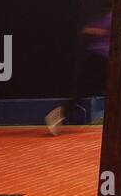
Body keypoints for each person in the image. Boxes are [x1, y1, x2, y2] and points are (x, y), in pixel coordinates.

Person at [45, 7, 112, 135]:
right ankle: (59, 113)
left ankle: (60, 113)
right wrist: (101, 32)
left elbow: (90, 29)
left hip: (100, 58)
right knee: (90, 90)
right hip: (99, 59)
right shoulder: (111, 18)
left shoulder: (110, 18)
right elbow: (89, 29)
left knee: (90, 90)